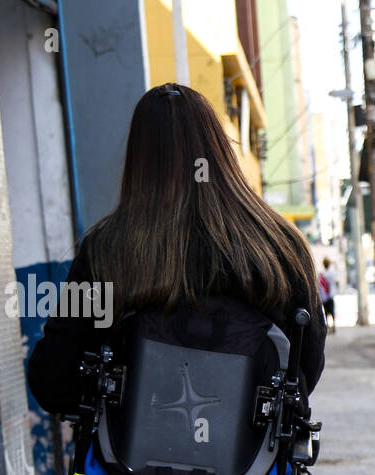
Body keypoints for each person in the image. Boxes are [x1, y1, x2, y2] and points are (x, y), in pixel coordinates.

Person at [28, 83, 326, 418]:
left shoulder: (103, 251)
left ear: (138, 159)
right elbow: (305, 367)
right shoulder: (280, 244)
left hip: (127, 468)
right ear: (219, 150)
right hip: (255, 465)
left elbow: (52, 378)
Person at [319, 256, 338, 333]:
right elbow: (337, 273)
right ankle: (333, 327)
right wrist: (334, 264)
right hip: (330, 296)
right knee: (332, 311)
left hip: (324, 297)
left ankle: (327, 326)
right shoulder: (332, 273)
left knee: (326, 312)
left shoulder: (322, 274)